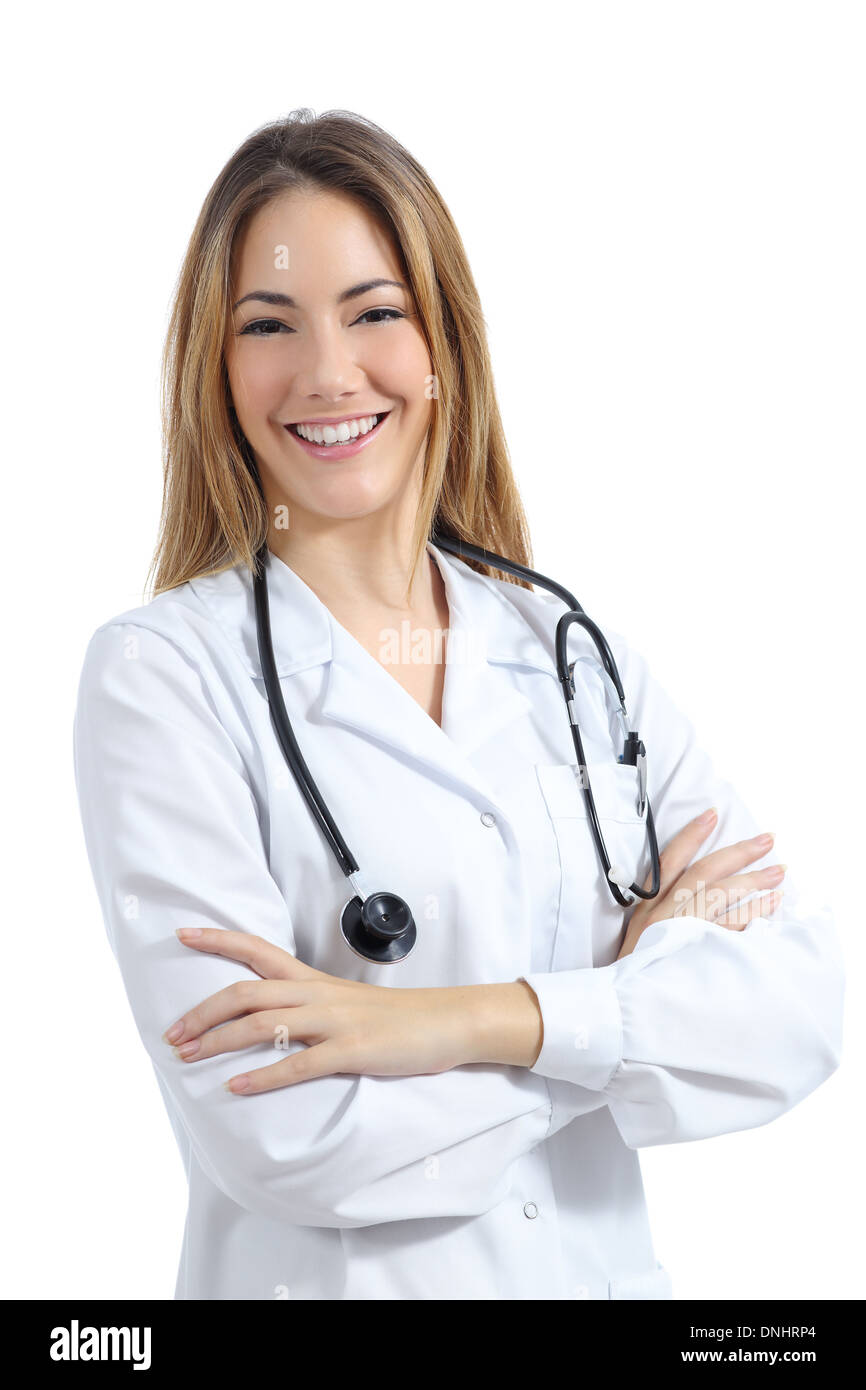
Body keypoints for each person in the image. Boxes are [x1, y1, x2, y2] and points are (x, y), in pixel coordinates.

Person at [72, 108, 844, 1302]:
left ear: (442, 345)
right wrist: (622, 1024)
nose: (329, 373)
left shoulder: (576, 661)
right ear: (215, 373)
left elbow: (792, 1015)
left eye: (374, 312)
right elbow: (287, 1136)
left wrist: (459, 1022)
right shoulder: (163, 678)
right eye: (268, 325)